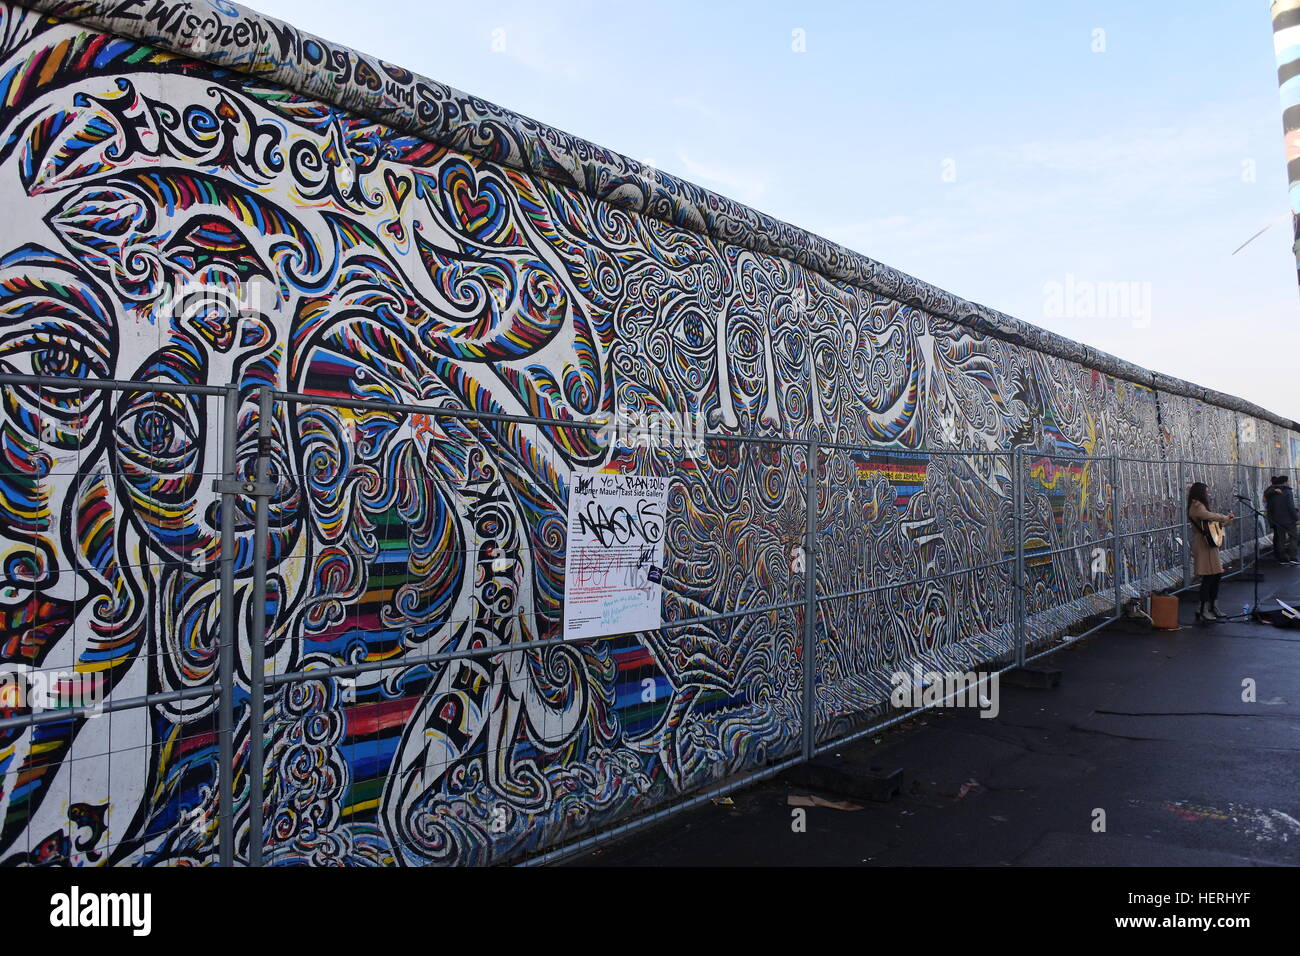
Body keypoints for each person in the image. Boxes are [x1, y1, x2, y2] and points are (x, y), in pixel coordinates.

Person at [1188, 482, 1234, 622]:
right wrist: (1224, 517)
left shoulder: (1200, 506)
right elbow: (1208, 516)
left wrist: (1227, 520)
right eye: (1206, 492)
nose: (1208, 494)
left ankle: (1213, 605)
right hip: (1203, 545)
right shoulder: (1196, 506)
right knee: (1208, 577)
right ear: (1200, 493)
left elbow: (1213, 524)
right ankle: (1203, 608)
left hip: (1209, 544)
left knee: (1216, 575)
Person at [1263, 474, 1299, 565]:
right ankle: (1293, 557)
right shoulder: (1287, 491)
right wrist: (1296, 518)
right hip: (1289, 520)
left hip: (1277, 520)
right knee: (1293, 537)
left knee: (1280, 539)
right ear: (1285, 482)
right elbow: (1290, 506)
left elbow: (1271, 505)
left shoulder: (1271, 492)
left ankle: (1282, 558)